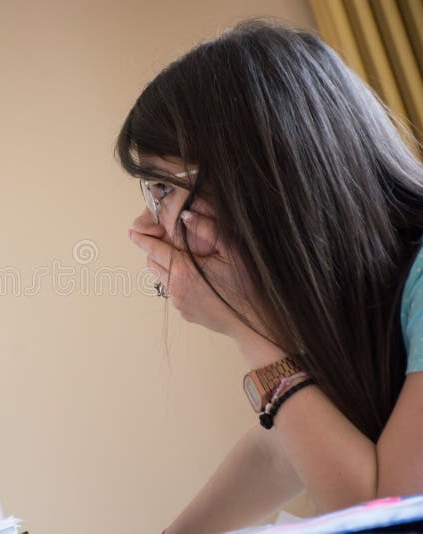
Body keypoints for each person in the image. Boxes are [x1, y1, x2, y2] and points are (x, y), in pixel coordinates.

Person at [118, 19, 423, 533]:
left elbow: (388, 519)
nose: (145, 225)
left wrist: (250, 331)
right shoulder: (362, 293)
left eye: (162, 189)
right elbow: (281, 452)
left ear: (252, 178)